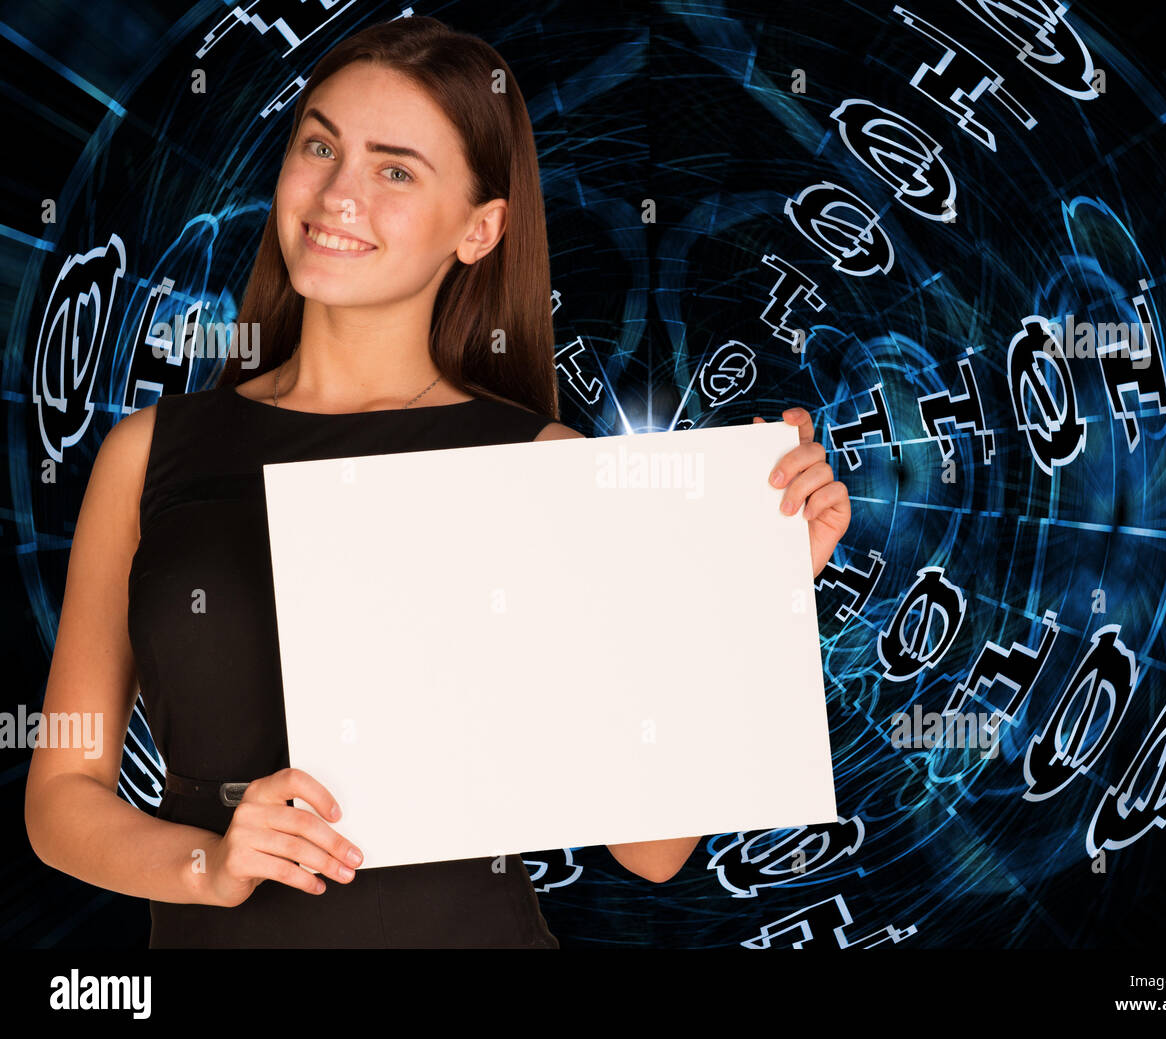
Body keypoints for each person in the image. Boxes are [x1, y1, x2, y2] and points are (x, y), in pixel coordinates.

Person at [24, 15, 850, 948]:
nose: (339, 193)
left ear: (479, 228)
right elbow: (59, 797)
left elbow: (650, 847)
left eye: (395, 170)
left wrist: (754, 587)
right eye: (320, 147)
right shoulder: (149, 451)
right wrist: (209, 864)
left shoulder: (544, 467)